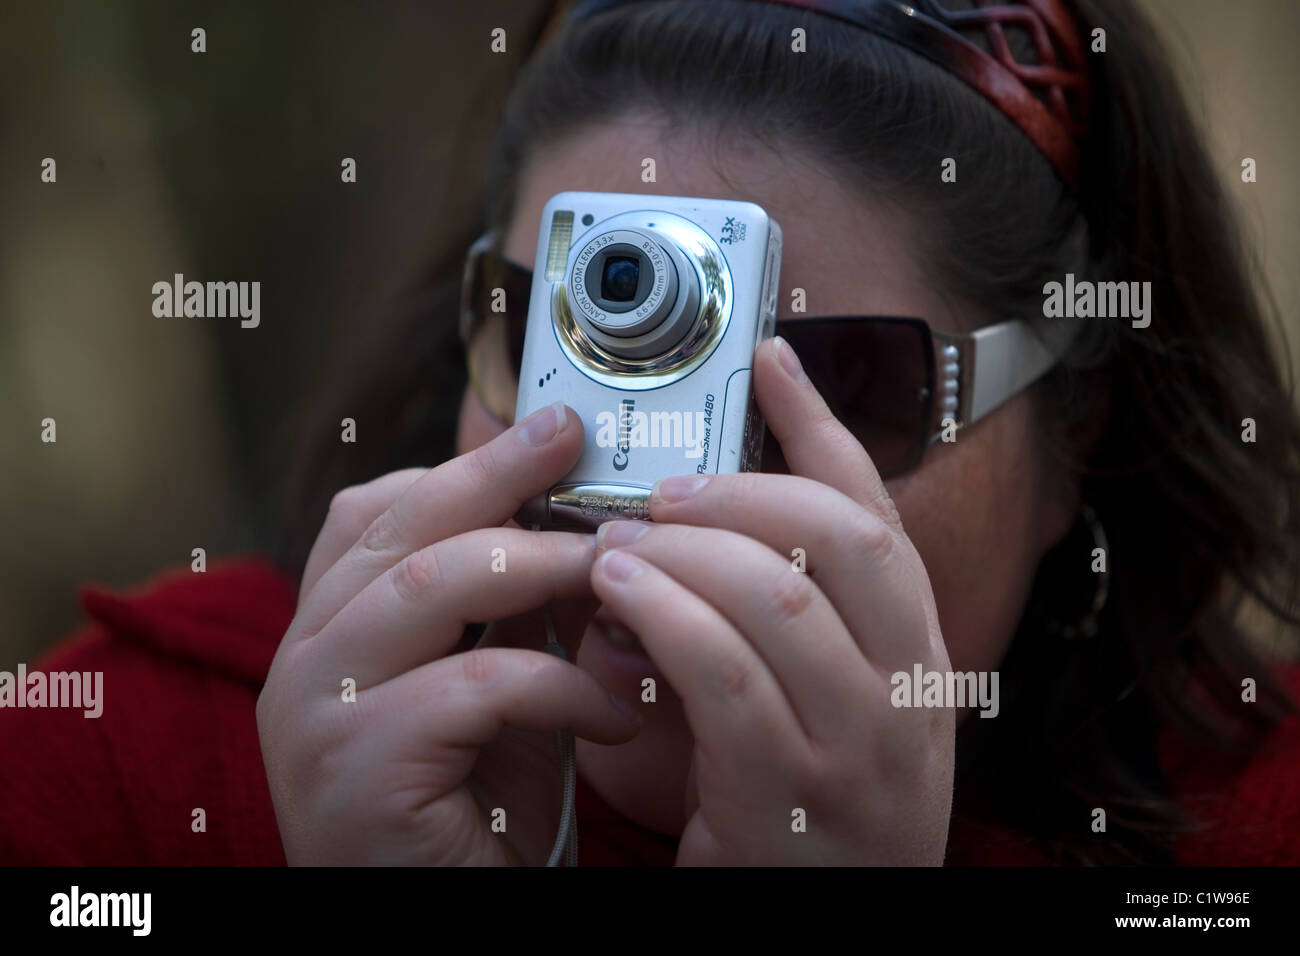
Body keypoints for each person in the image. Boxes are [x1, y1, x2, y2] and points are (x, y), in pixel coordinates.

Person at [3, 0, 1299, 866]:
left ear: (1076, 435)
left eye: (836, 387)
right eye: (583, 328)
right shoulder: (112, 773)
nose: (651, 477)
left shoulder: (1253, 833)